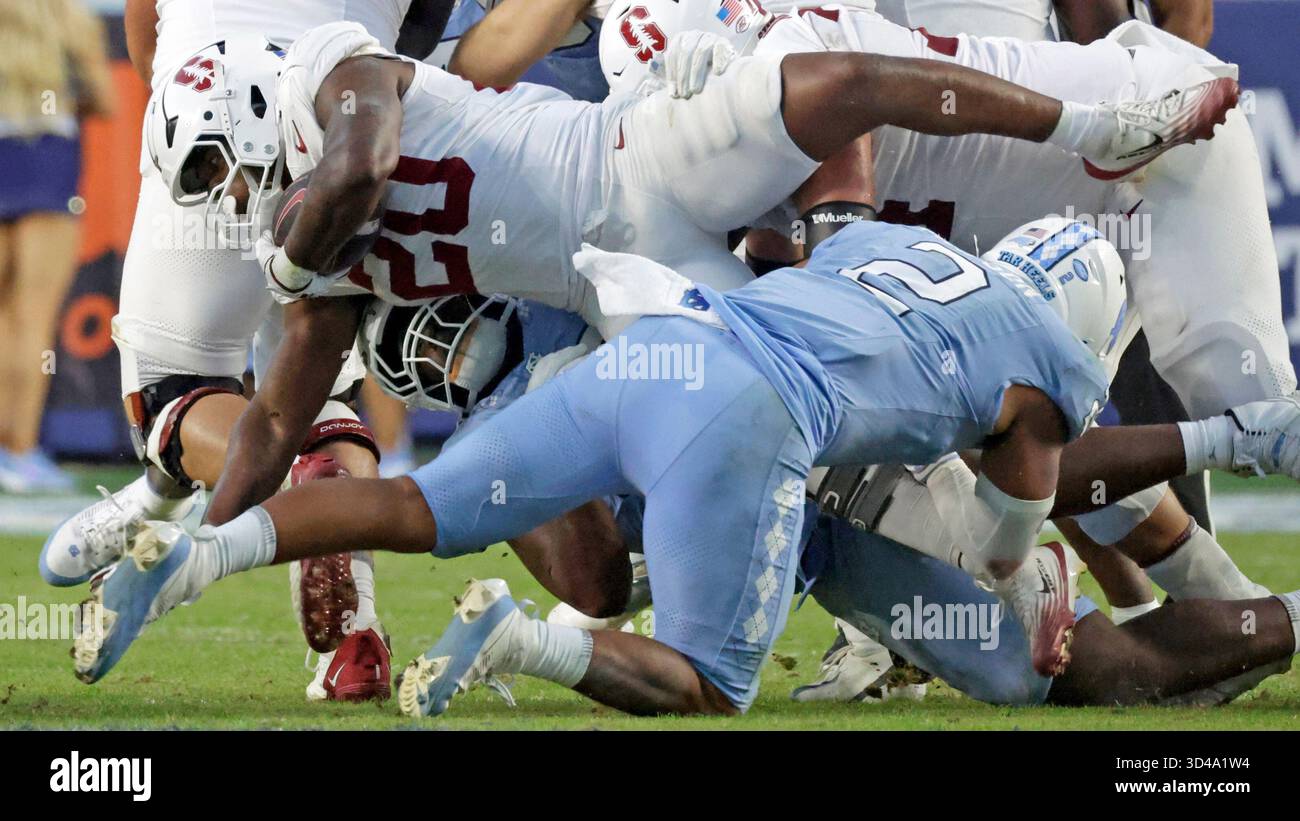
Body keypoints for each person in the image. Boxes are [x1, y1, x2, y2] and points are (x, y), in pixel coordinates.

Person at [42, 0, 453, 703]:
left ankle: (262, 482)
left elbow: (146, 27)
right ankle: (354, 639)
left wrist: (176, 93)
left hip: (211, 98)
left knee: (173, 394)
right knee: (322, 388)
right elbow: (432, 28)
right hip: (350, 118)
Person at [0, 0, 114, 493]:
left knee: (6, 320)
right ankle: (18, 452)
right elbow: (104, 99)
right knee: (34, 318)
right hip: (46, 164)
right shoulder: (70, 19)